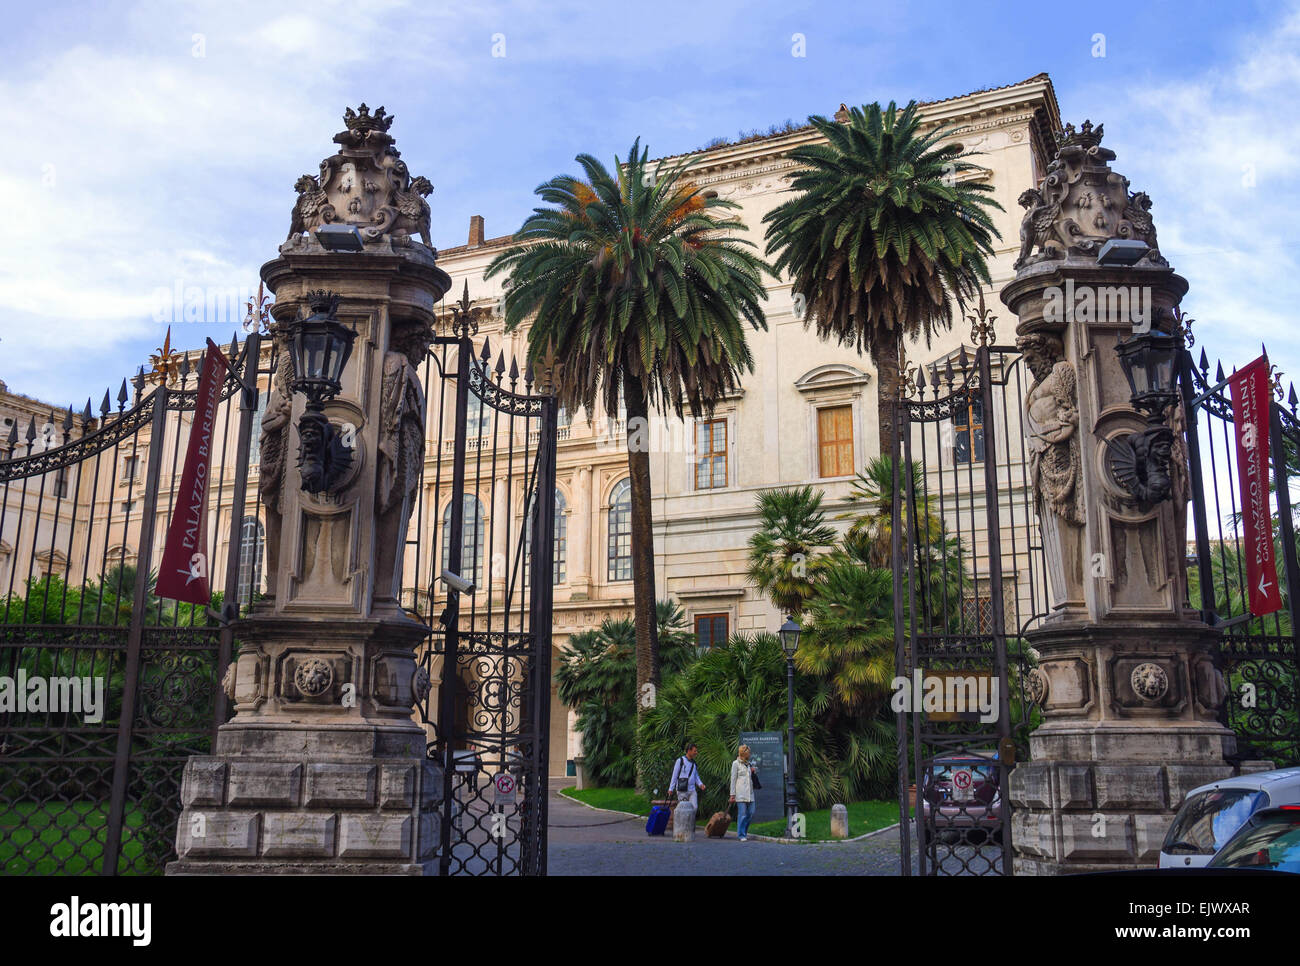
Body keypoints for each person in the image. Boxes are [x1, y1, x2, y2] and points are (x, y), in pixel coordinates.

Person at [668, 743, 706, 817]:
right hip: (682, 789)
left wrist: (700, 784)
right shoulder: (680, 761)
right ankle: (681, 825)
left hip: (692, 790)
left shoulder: (694, 763)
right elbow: (674, 775)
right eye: (695, 751)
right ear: (689, 751)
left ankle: (689, 825)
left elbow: (696, 776)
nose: (696, 753)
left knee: (694, 807)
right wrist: (671, 788)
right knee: (683, 809)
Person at [730, 744, 757, 841]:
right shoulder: (735, 763)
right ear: (744, 753)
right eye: (748, 752)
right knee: (742, 814)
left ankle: (744, 832)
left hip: (750, 793)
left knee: (751, 813)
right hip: (740, 793)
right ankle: (741, 835)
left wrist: (753, 772)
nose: (750, 754)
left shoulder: (749, 764)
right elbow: (733, 779)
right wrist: (732, 794)